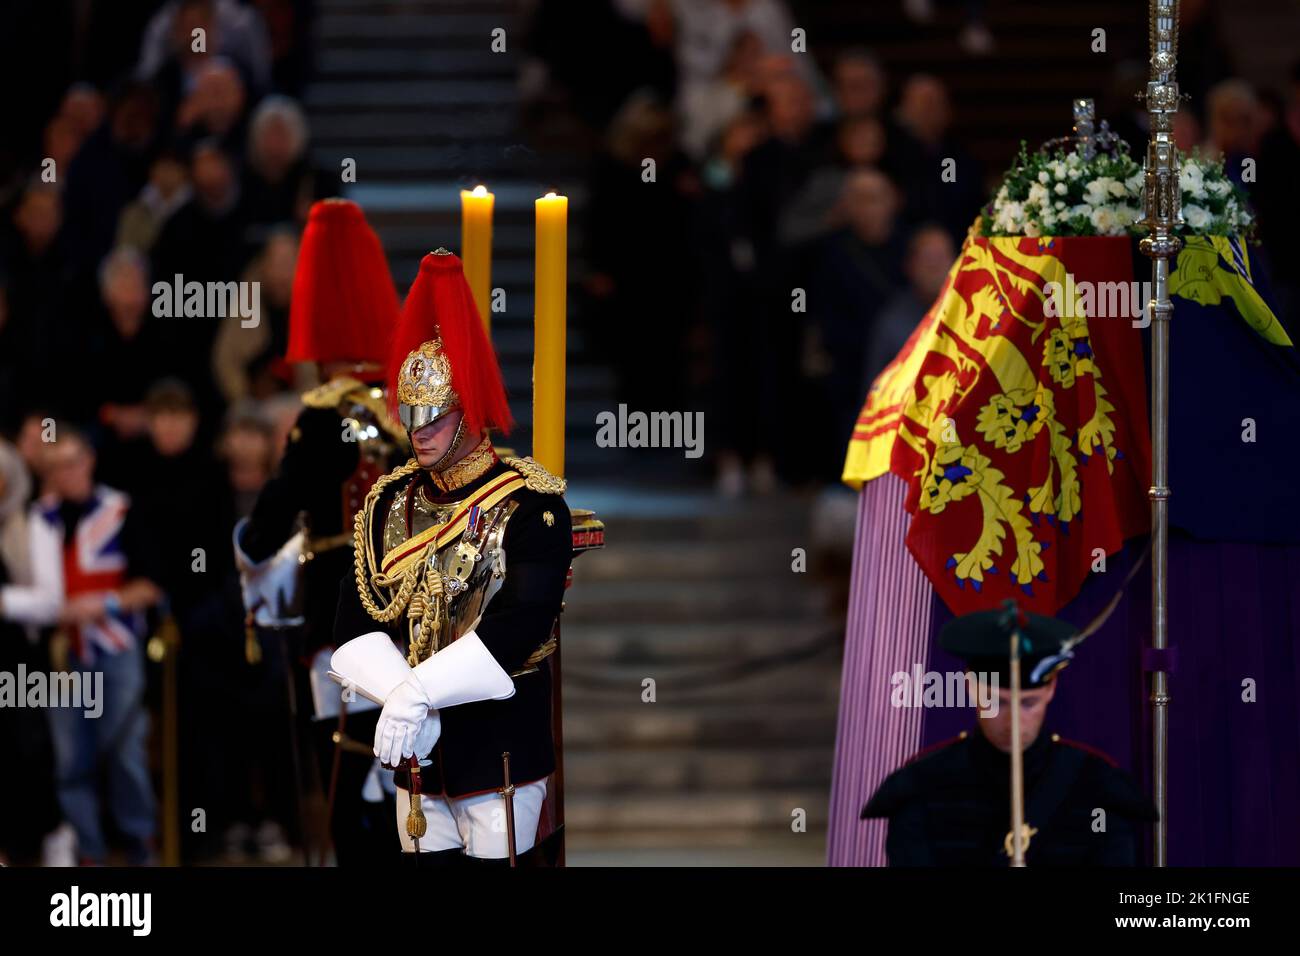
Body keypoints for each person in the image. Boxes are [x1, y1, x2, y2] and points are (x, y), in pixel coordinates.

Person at [334, 250, 572, 866]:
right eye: (408, 413)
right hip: (418, 758)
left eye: (432, 415)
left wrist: (415, 695)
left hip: (499, 756)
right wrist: (404, 696)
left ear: (467, 407)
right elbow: (353, 623)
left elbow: (519, 626)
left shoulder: (531, 507)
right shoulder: (389, 502)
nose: (417, 429)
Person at [234, 198, 406, 865]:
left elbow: (277, 511)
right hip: (411, 608)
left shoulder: (322, 415)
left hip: (339, 607)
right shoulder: (406, 409)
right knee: (399, 762)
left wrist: (249, 546)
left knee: (341, 755)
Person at [861, 602, 1157, 865]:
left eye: (1028, 703)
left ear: (1051, 689)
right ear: (972, 688)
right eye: (996, 702)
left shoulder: (1096, 786)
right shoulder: (922, 786)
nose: (1013, 721)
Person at [0, 429, 162, 865]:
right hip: (59, 655)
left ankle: (139, 845)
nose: (66, 473)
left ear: (89, 460)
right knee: (71, 759)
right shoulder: (37, 519)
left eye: (73, 462)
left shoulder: (122, 509)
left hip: (117, 647)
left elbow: (153, 585)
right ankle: (86, 851)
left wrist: (104, 602)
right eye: (55, 467)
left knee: (125, 751)